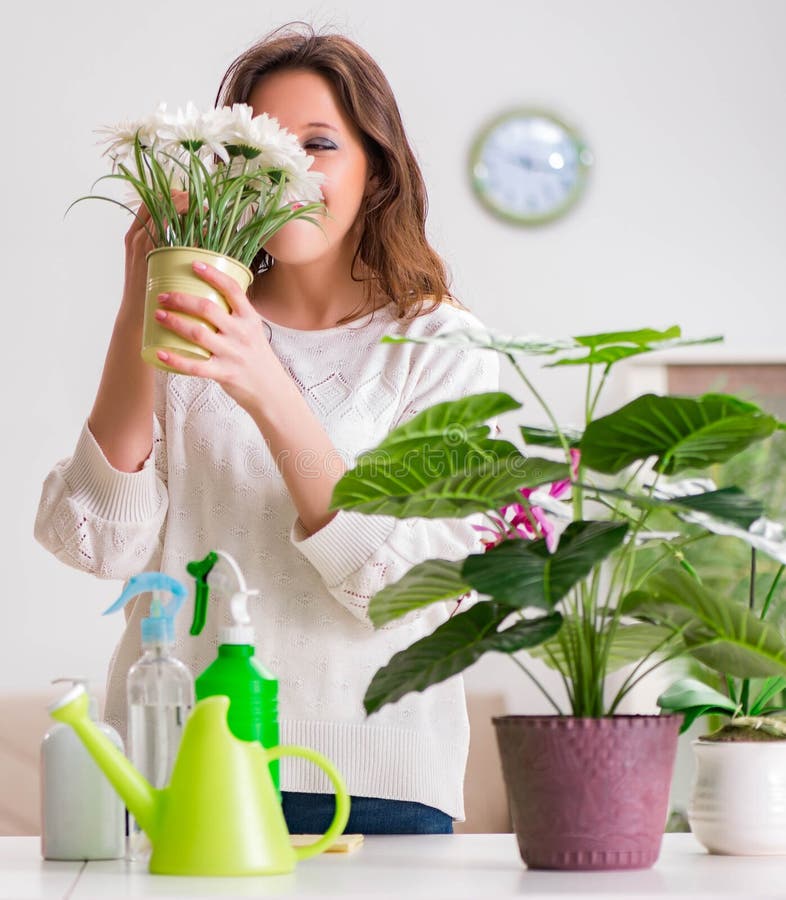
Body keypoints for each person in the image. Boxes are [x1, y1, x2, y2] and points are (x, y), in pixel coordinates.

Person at [34, 23, 499, 835]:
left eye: (317, 144)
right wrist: (137, 302)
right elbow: (96, 543)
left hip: (377, 783)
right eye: (257, 148)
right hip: (173, 767)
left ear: (377, 171)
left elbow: (408, 591)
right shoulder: (193, 329)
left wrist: (265, 385)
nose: (284, 170)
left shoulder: (440, 347)